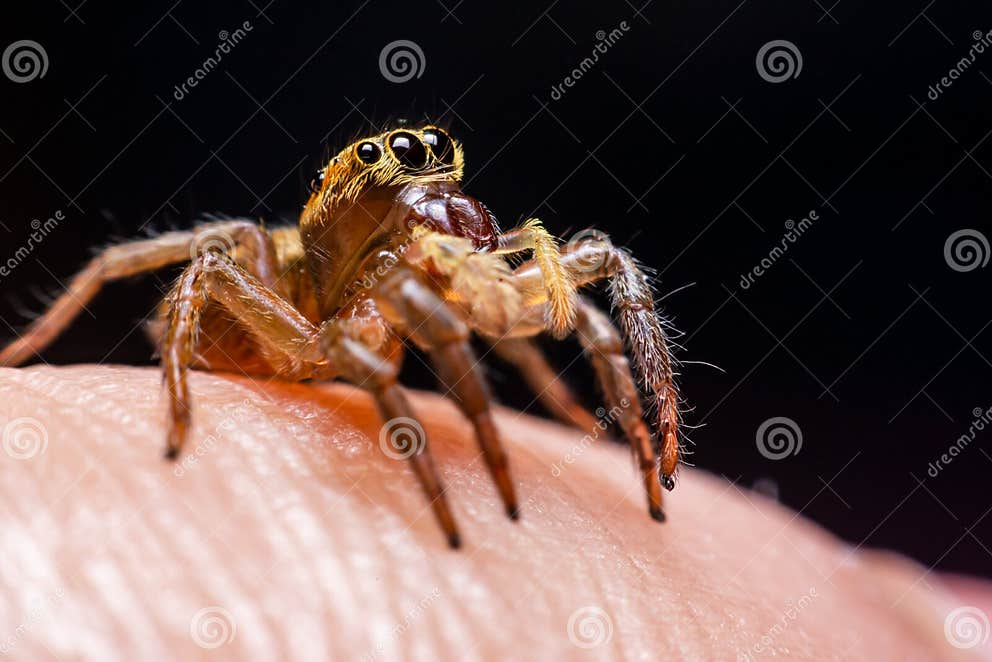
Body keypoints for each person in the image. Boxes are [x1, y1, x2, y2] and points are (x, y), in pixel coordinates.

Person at [0, 365, 988, 661]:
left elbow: (559, 293)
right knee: (215, 253)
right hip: (274, 332)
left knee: (592, 266)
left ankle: (633, 441)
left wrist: (565, 398)